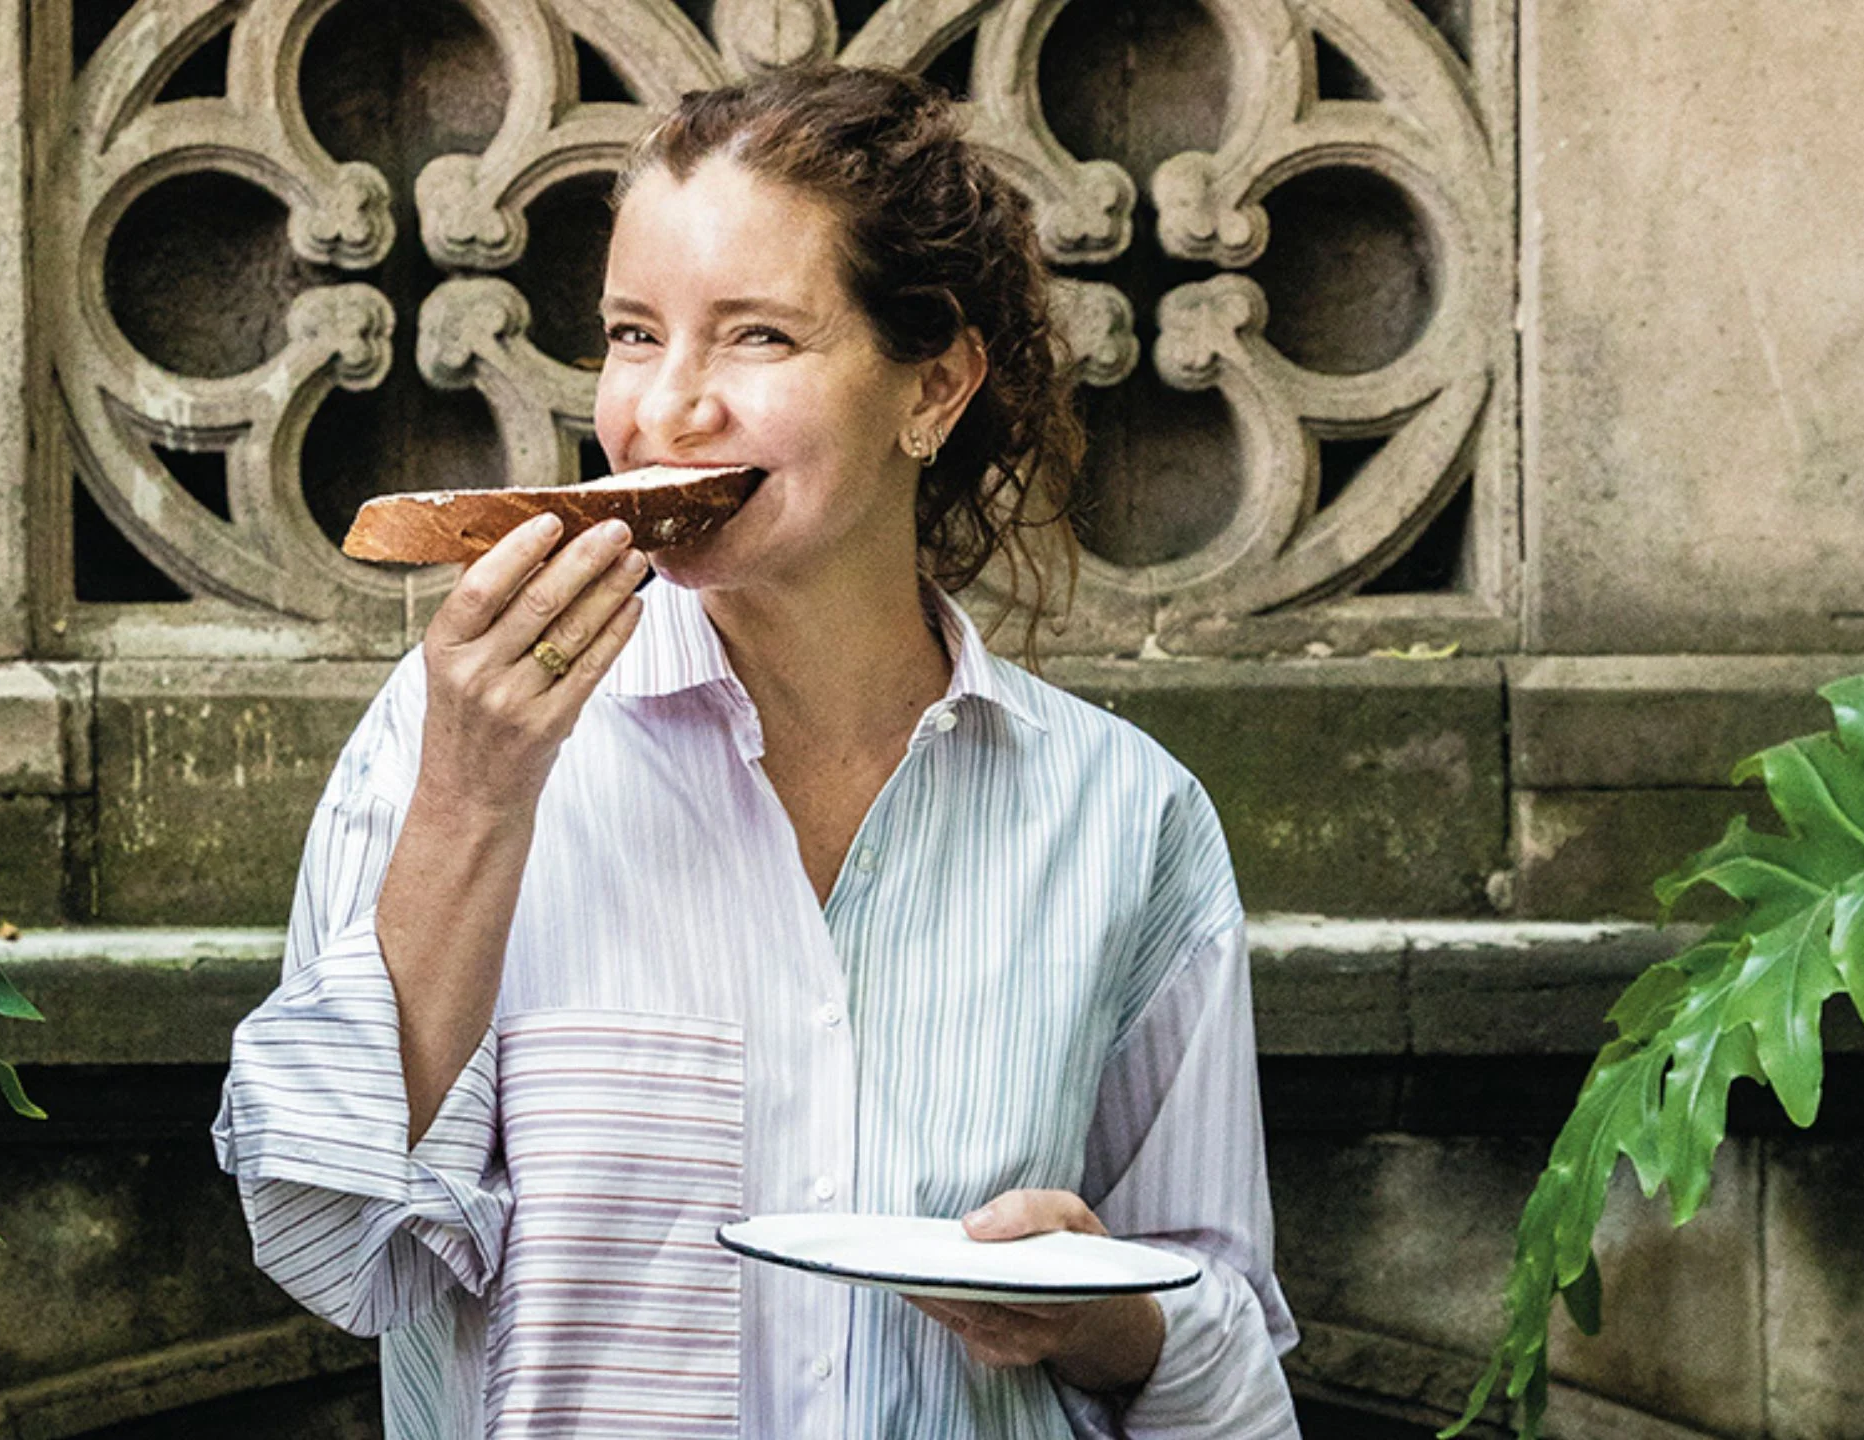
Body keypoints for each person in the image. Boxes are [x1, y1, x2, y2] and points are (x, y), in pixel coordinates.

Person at [216, 63, 1300, 1439]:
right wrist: (474, 801)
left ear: (934, 387)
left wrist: (1105, 1321)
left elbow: (1225, 1358)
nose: (667, 410)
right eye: (632, 334)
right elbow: (326, 1242)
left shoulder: (1125, 817)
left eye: (757, 338)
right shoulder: (450, 736)